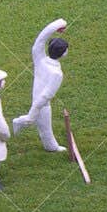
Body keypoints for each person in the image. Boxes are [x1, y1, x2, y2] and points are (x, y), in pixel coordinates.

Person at [12, 18, 68, 153]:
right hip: (41, 103)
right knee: (38, 123)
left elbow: (40, 40)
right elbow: (46, 95)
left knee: (43, 125)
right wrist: (34, 111)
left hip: (38, 99)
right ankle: (19, 122)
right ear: (63, 53)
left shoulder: (40, 59)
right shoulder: (56, 73)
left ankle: (50, 145)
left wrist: (57, 25)